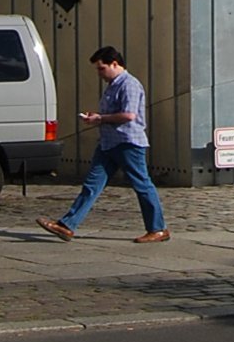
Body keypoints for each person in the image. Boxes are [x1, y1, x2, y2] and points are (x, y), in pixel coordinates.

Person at [38, 46, 169, 243]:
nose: (99, 73)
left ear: (115, 64)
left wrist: (100, 118)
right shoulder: (113, 84)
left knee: (142, 184)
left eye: (101, 68)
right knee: (92, 185)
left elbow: (129, 115)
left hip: (127, 142)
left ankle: (158, 229)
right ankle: (67, 225)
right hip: (108, 143)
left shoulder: (129, 84)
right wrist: (97, 118)